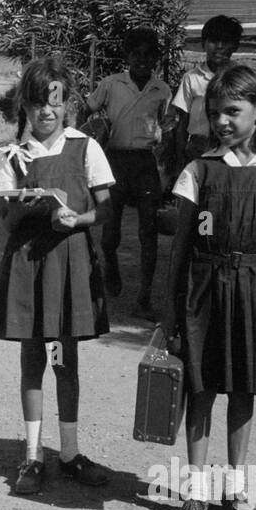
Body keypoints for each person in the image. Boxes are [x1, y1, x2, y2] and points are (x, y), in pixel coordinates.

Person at [162, 64, 256, 510]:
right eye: (215, 112)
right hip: (204, 289)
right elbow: (181, 246)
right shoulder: (199, 170)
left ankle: (238, 486)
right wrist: (171, 311)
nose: (222, 121)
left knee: (244, 388)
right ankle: (196, 491)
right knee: (201, 388)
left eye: (233, 111)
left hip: (255, 290)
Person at [0, 56, 115, 496]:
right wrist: (22, 204)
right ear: (24, 107)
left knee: (65, 362)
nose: (47, 112)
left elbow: (104, 209)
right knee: (32, 363)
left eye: (55, 103)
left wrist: (76, 220)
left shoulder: (86, 147)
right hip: (29, 267)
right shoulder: (14, 157)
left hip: (69, 265)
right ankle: (32, 455)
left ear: (68, 106)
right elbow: (5, 219)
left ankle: (71, 452)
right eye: (38, 103)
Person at [84, 26, 175, 316]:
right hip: (113, 161)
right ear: (128, 56)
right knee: (110, 229)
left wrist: (168, 160)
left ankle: (144, 297)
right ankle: (110, 261)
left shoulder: (162, 90)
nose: (142, 60)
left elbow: (168, 125)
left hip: (145, 163)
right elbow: (87, 110)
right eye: (136, 54)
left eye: (149, 55)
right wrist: (92, 133)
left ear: (157, 59)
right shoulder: (111, 84)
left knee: (149, 230)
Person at [171, 14, 242, 166]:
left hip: (234, 146)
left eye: (226, 41)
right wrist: (179, 158)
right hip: (198, 147)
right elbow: (182, 123)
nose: (220, 46)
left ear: (235, 45)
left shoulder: (243, 79)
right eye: (214, 41)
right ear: (204, 44)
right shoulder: (192, 78)